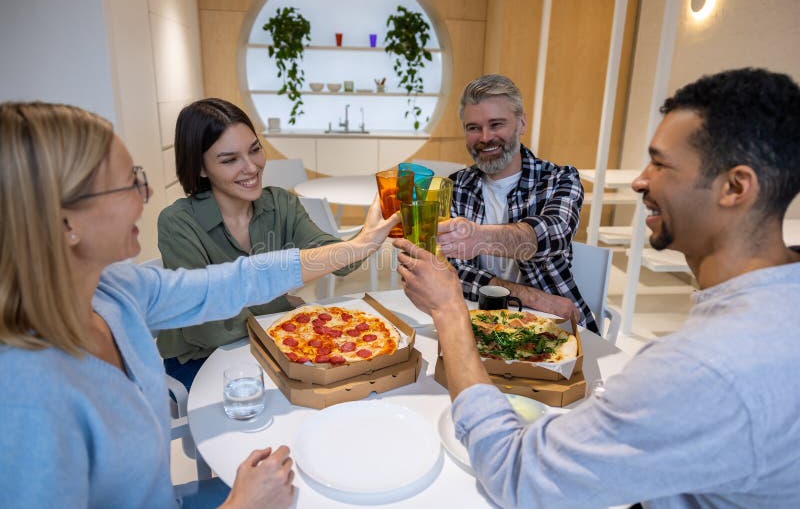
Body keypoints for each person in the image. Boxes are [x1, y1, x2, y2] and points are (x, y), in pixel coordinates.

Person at [396, 68, 800, 507]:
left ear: (736, 187)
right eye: (474, 127)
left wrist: (452, 304)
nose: (639, 181)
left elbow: (521, 476)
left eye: (660, 163)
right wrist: (508, 291)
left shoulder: (701, 368)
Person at [0, 101, 398, 508]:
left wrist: (363, 242)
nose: (146, 195)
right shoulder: (24, 394)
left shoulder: (115, 290)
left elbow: (239, 280)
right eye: (128, 185)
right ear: (64, 221)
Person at [157, 98, 361, 389]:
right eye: (230, 160)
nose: (251, 167)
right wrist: (277, 305)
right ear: (201, 168)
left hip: (269, 344)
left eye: (254, 150)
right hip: (200, 360)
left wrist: (370, 237)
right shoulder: (177, 222)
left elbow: (342, 263)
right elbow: (209, 329)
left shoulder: (280, 202)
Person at [437, 74, 597, 331]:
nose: (485, 137)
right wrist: (532, 297)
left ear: (521, 123)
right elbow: (451, 272)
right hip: (478, 321)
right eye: (473, 128)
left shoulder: (559, 179)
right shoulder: (454, 187)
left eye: (496, 124)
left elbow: (552, 233)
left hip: (553, 324)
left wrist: (478, 238)